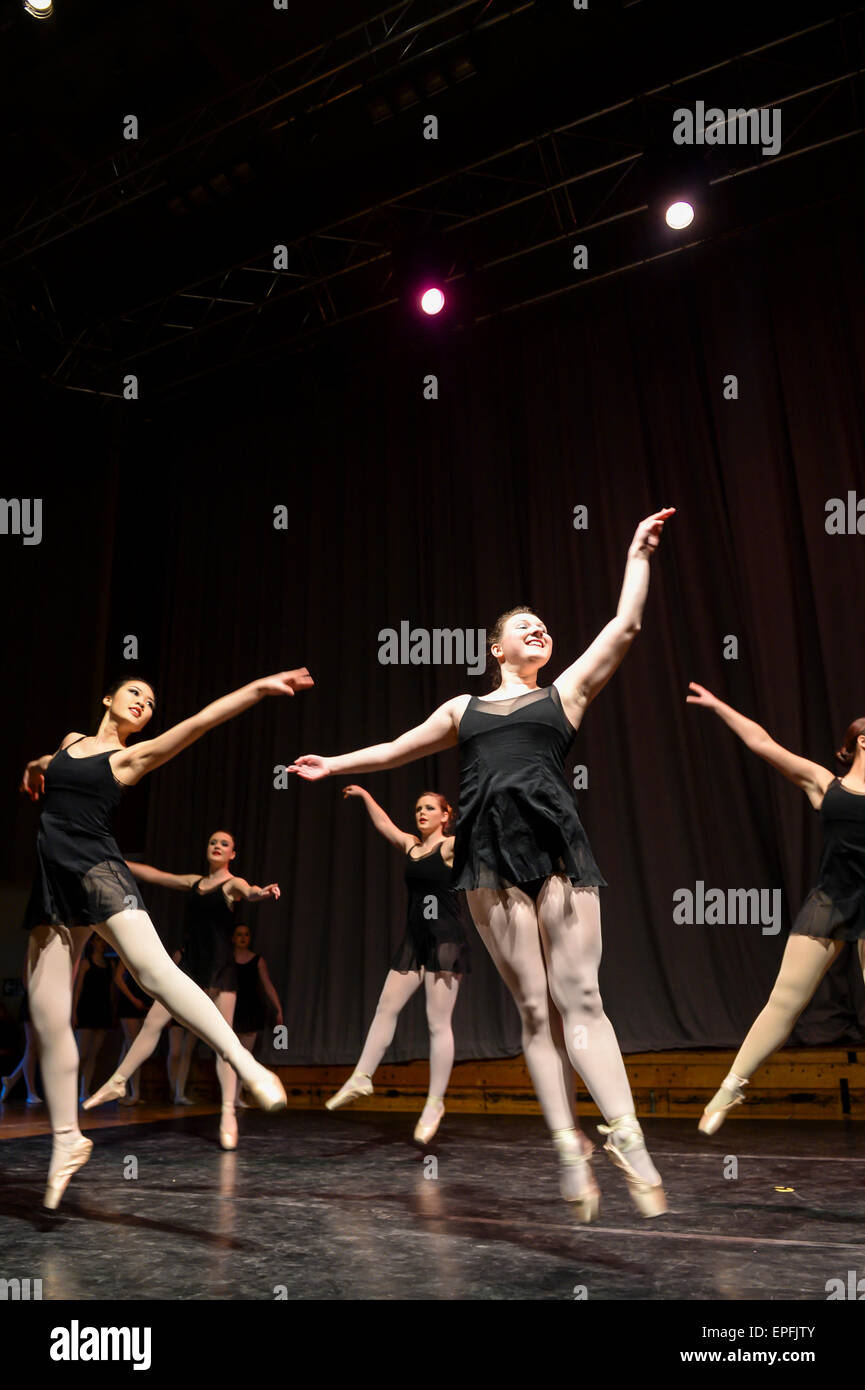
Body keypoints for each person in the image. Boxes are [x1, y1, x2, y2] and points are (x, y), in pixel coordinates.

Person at [290, 509, 674, 1221]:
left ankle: (626, 1139)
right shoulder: (462, 707)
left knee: (580, 1000)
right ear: (496, 648)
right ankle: (566, 1147)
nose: (539, 631)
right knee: (533, 1008)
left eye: (544, 628)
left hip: (556, 854)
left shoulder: (565, 694)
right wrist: (331, 762)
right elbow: (395, 749)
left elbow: (623, 627)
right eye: (523, 627)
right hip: (487, 862)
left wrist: (637, 556)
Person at [19, 667, 312, 1208]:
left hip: (98, 872)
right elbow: (48, 763)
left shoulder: (129, 759)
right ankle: (66, 1139)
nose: (144, 704)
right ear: (108, 697)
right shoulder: (70, 744)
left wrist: (256, 689)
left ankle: (247, 1065)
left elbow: (200, 723)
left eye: (151, 703)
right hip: (52, 883)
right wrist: (34, 770)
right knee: (46, 1010)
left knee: (155, 974)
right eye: (135, 693)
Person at [687, 683, 865, 1133]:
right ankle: (731, 1087)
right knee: (784, 1000)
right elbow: (762, 744)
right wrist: (721, 706)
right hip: (831, 900)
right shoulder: (827, 785)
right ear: (862, 739)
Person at [86, 830, 281, 1150]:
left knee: (226, 1044)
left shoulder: (231, 884)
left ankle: (227, 1114)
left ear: (233, 854)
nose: (217, 846)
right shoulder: (193, 882)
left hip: (220, 971)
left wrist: (262, 893)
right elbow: (158, 876)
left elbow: (249, 890)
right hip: (189, 968)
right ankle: (119, 1081)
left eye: (224, 844)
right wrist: (119, 863)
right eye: (213, 842)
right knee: (152, 1023)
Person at [325, 787, 470, 1144]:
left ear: (444, 815)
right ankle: (362, 1076)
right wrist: (363, 795)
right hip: (415, 938)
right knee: (385, 1007)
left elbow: (478, 833)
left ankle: (435, 1103)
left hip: (444, 938)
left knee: (437, 1024)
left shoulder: (450, 847)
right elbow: (384, 825)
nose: (421, 813)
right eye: (417, 808)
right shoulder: (411, 846)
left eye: (429, 808)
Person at [232, 923, 283, 1107]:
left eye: (246, 934)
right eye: (239, 934)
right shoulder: (227, 960)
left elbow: (267, 985)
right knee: (230, 1054)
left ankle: (237, 1095)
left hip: (251, 1010)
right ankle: (230, 1095)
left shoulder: (257, 960)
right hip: (232, 1008)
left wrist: (278, 1008)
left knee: (245, 1055)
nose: (243, 938)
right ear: (233, 938)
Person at [71, 935, 113, 1103]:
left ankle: (84, 1090)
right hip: (86, 1010)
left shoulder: (109, 964)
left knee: (93, 1054)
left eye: (103, 941)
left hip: (102, 1011)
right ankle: (70, 1089)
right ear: (92, 943)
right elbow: (78, 988)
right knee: (81, 1053)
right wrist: (73, 1011)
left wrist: (112, 1010)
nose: (102, 944)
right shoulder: (86, 963)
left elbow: (111, 992)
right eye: (98, 941)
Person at [112, 957, 151, 1105]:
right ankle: (134, 1092)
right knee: (134, 1048)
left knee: (128, 1048)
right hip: (130, 1003)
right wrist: (133, 999)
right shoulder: (127, 953)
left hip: (141, 1001)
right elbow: (118, 978)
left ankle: (121, 1090)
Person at [0, 977, 42, 1106]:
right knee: (32, 1046)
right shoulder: (34, 957)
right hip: (35, 1001)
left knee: (38, 1048)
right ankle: (30, 1091)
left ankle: (12, 1080)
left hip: (46, 1001)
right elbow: (27, 982)